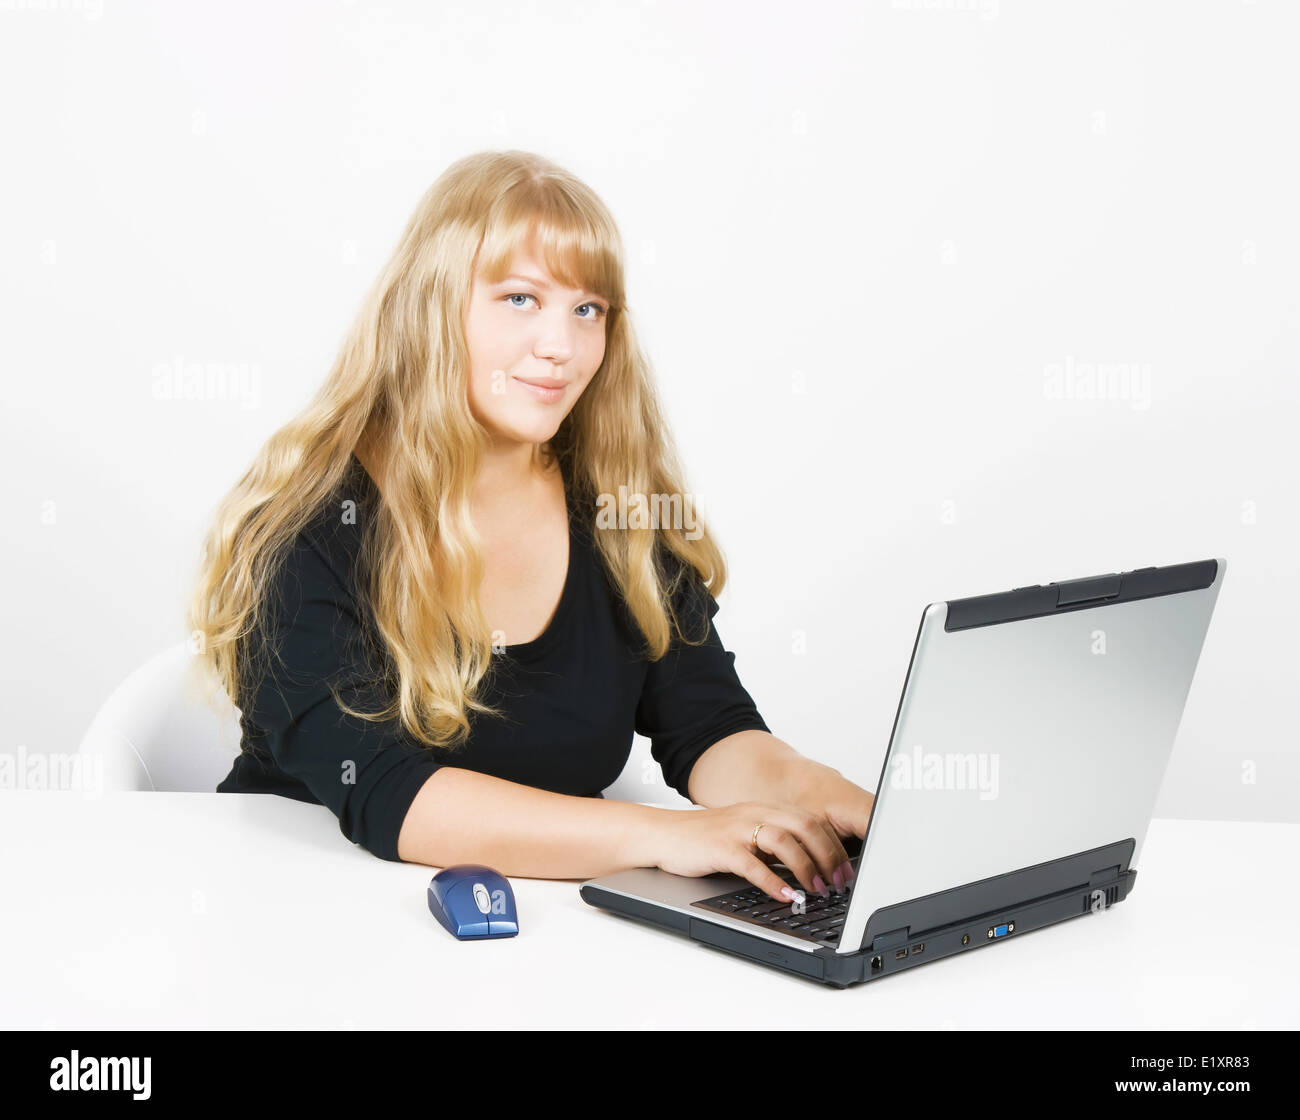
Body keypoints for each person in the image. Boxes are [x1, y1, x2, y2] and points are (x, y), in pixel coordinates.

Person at [188, 150, 874, 903]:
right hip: (302, 919)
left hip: (542, 946)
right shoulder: (311, 526)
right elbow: (390, 795)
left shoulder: (616, 512)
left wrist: (823, 796)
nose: (562, 347)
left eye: (588, 310)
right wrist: (667, 836)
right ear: (433, 306)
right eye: (521, 299)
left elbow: (709, 725)